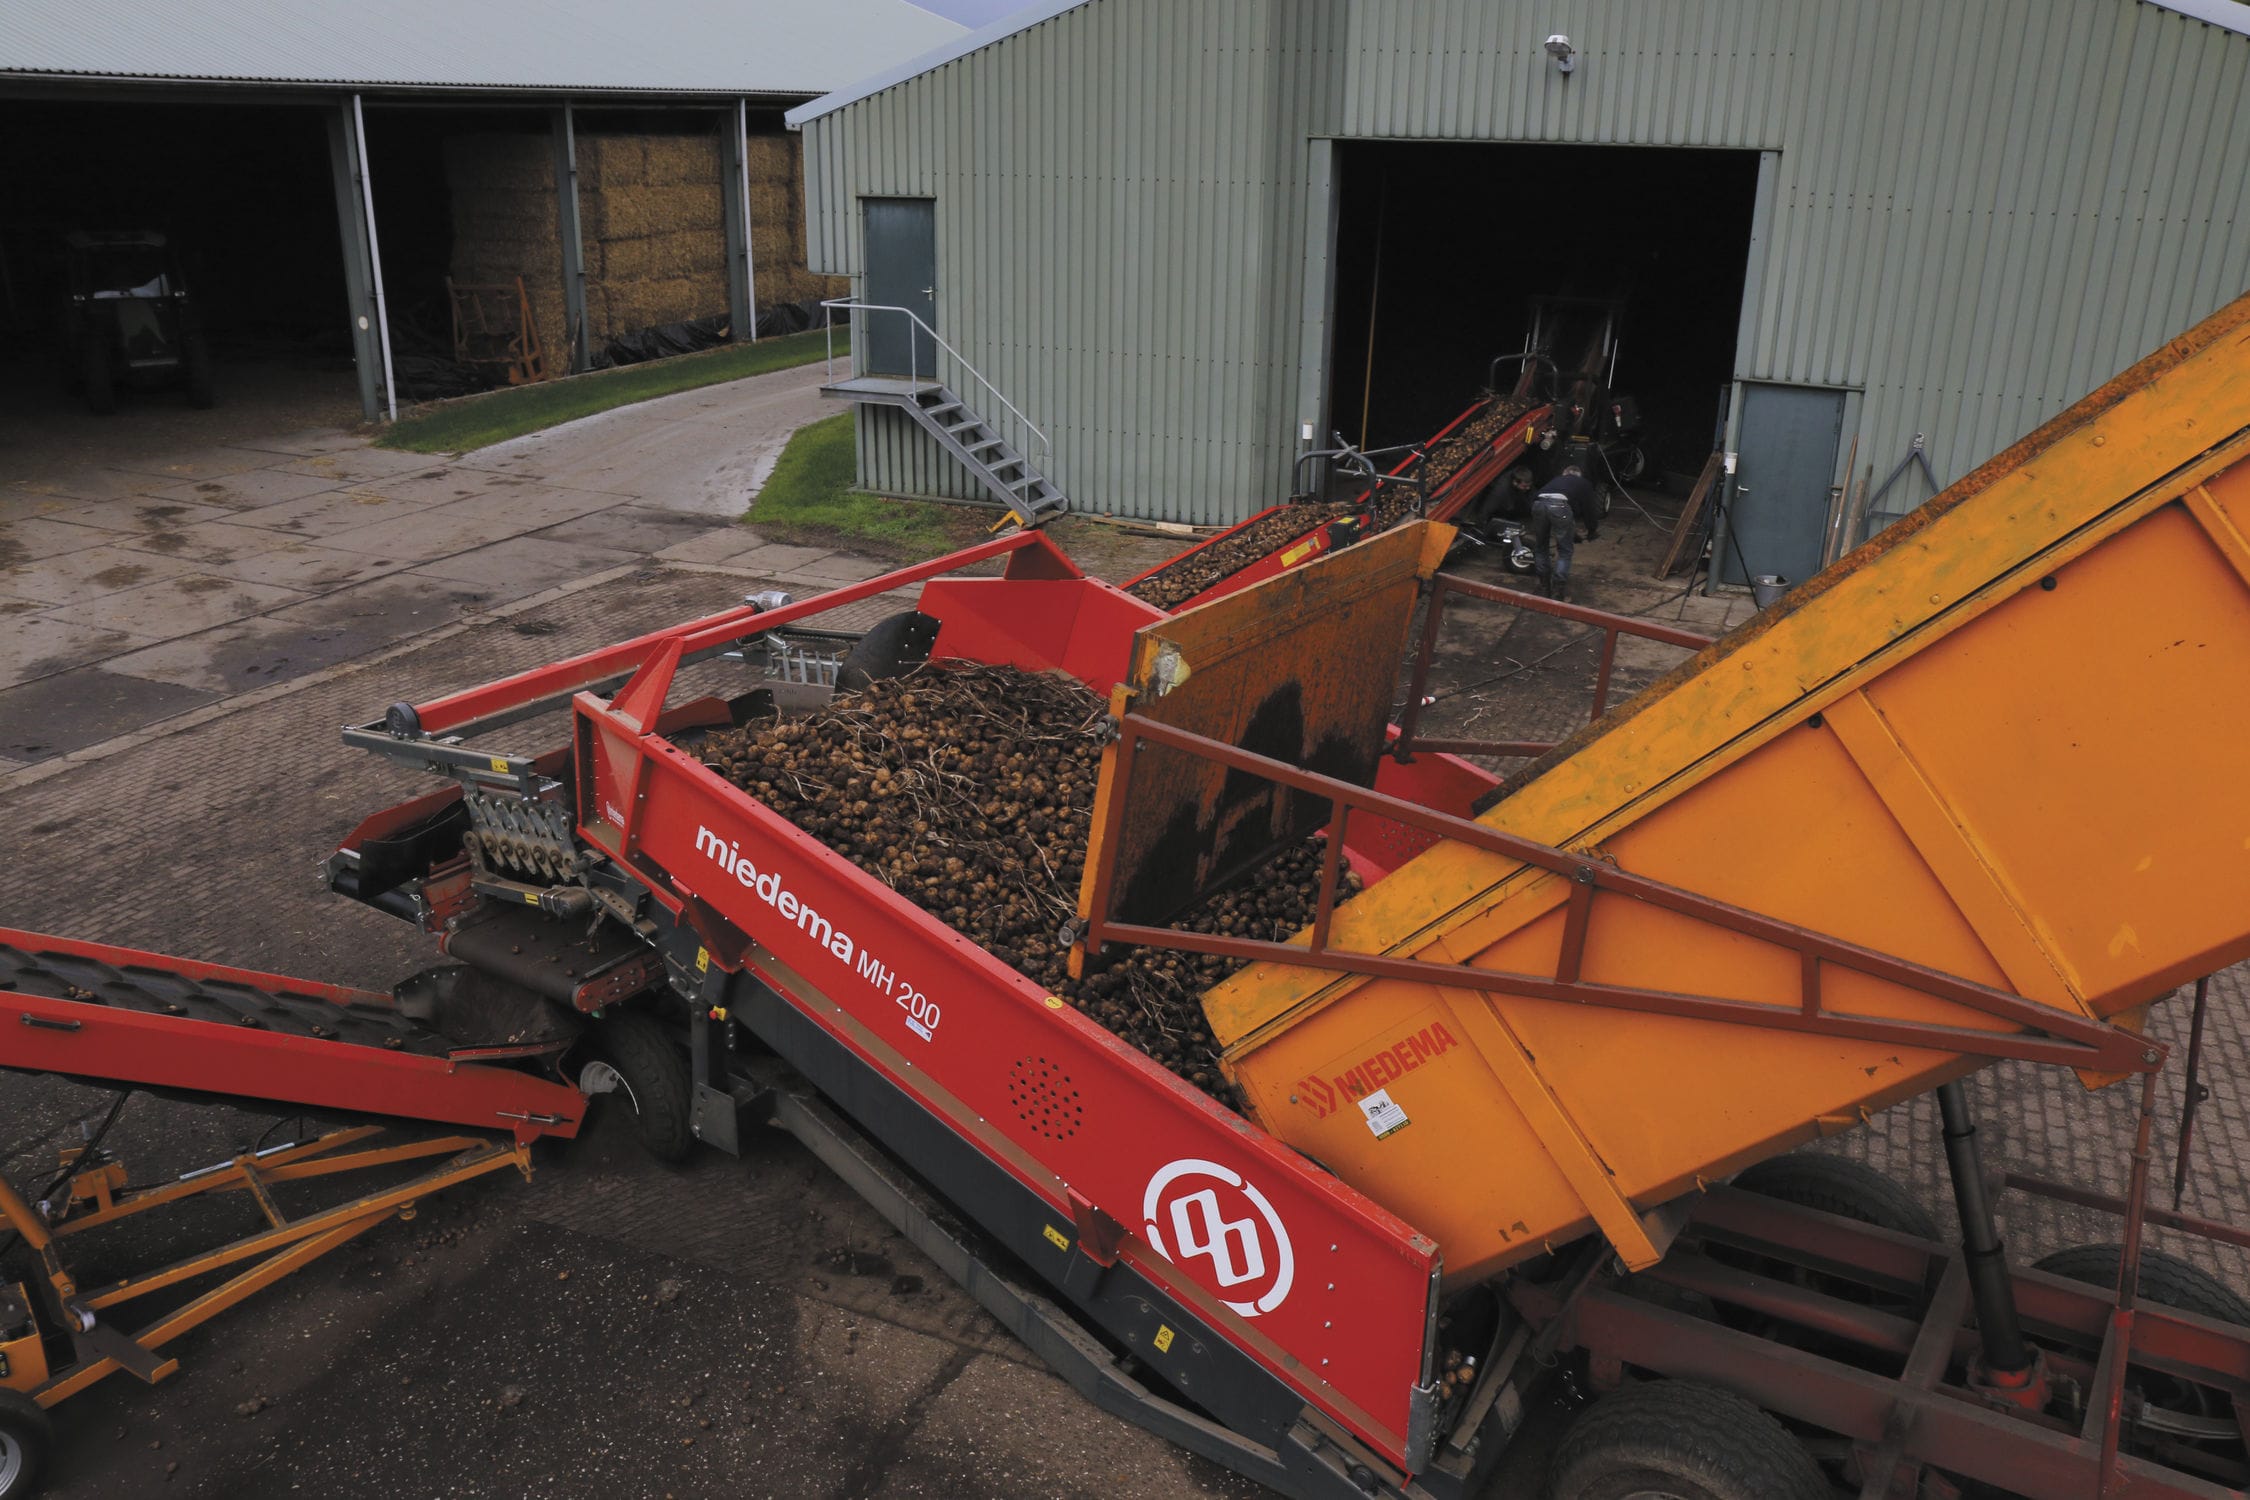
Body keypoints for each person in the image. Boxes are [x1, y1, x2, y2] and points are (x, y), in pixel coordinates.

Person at [1530, 464, 1600, 599]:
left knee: (1540, 546)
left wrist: (1572, 533)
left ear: (1565, 474)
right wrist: (1592, 529)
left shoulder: (1556, 481)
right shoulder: (1583, 483)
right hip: (1559, 505)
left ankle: (1544, 585)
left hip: (1538, 503)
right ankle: (1558, 589)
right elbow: (1589, 508)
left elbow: (1569, 513)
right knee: (1565, 550)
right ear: (1579, 475)